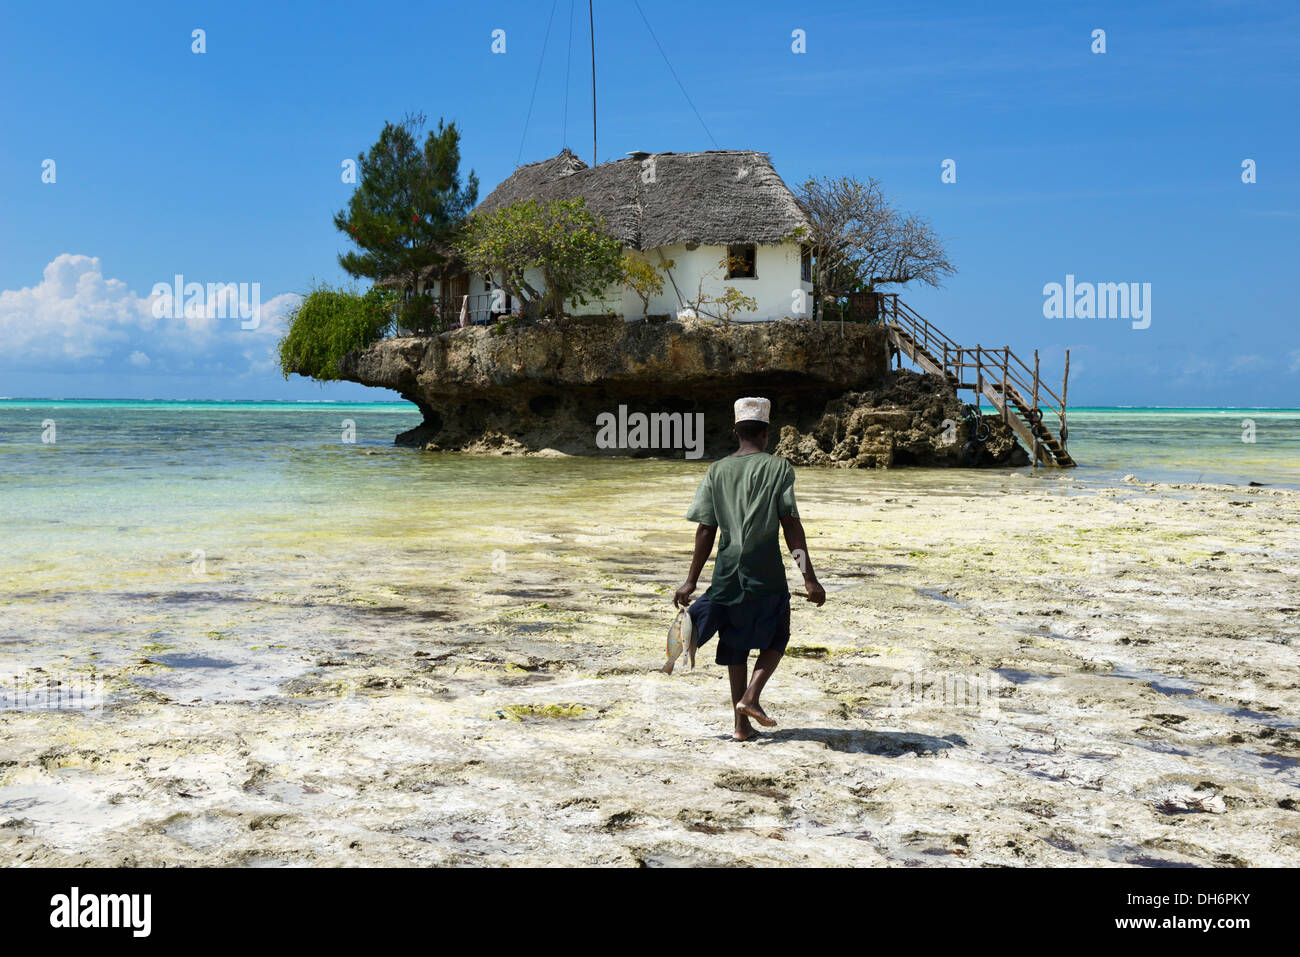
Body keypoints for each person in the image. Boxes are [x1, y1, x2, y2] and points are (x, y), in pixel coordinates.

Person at [674, 397, 826, 742]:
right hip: (765, 571)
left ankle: (741, 727)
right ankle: (751, 698)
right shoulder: (779, 468)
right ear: (766, 433)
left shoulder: (717, 470)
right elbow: (791, 526)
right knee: (778, 635)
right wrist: (808, 576)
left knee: (735, 645)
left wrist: (690, 581)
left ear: (735, 432)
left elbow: (705, 529)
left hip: (726, 573)